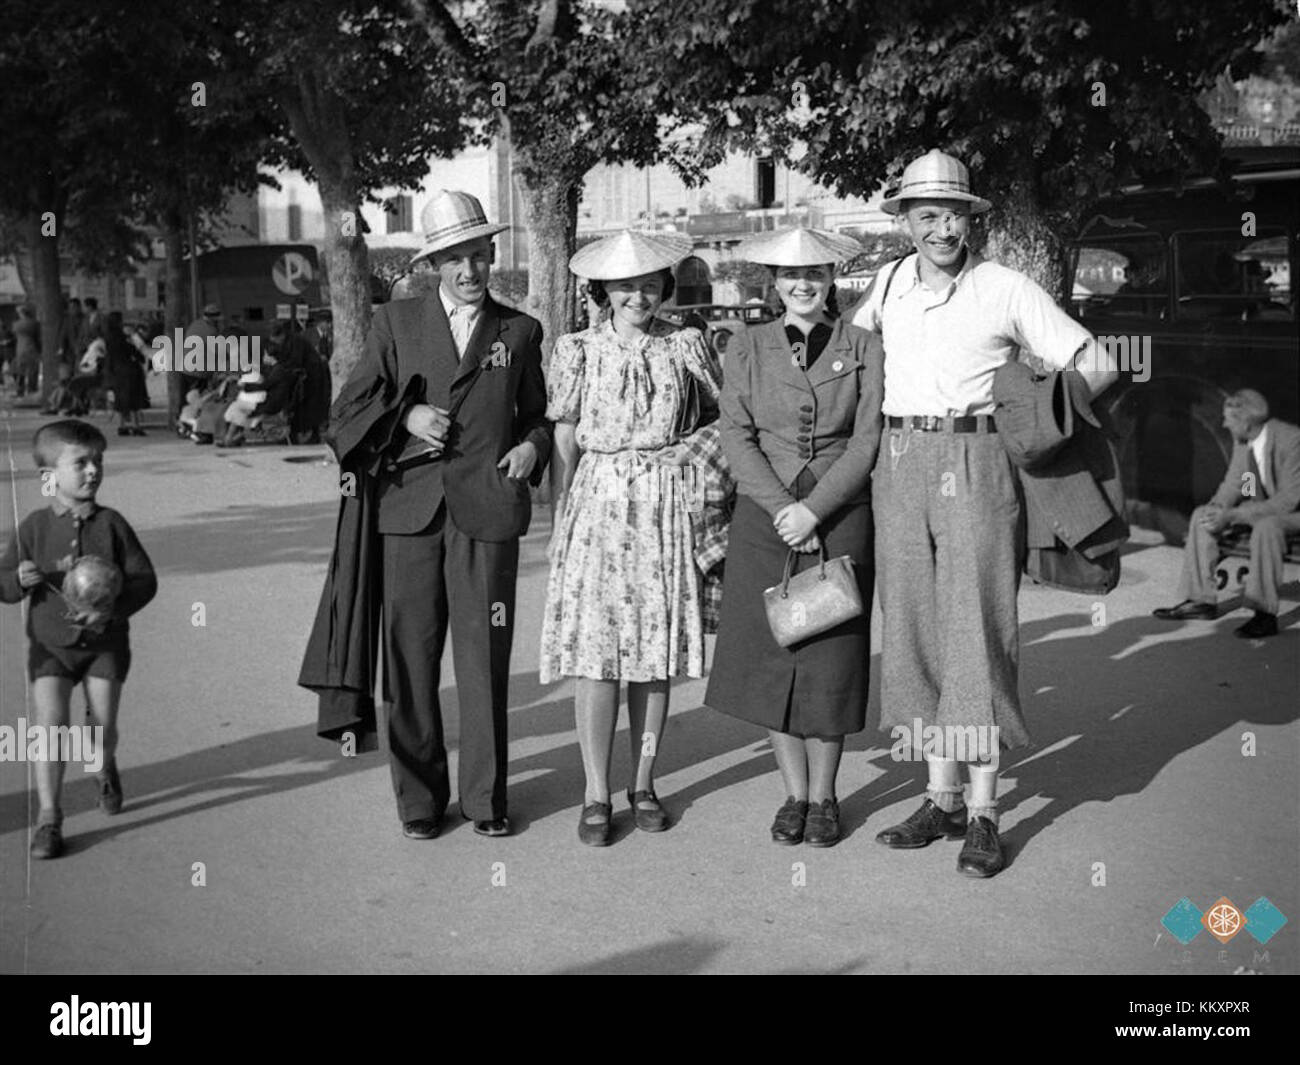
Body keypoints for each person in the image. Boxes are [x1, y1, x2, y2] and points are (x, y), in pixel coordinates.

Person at [851, 149, 1117, 877]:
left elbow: (1095, 358)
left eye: (955, 214)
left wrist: (1034, 426)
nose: (942, 228)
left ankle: (985, 811)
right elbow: (849, 360)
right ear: (904, 220)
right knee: (912, 628)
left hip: (976, 460)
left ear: (972, 219)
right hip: (900, 462)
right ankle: (938, 797)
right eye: (928, 214)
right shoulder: (885, 285)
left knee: (976, 629)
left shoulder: (1001, 285)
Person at [302, 189, 552, 840]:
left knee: (484, 663)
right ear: (434, 264)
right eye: (455, 259)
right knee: (409, 666)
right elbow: (344, 416)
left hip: (487, 517)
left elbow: (537, 417)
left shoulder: (520, 332)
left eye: (478, 255)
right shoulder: (397, 324)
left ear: (493, 253)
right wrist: (405, 415)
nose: (469, 271)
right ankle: (418, 802)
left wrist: (532, 447)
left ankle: (485, 801)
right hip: (406, 518)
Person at [542, 230, 727, 846]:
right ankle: (595, 790)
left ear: (664, 286)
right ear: (604, 290)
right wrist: (560, 518)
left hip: (664, 501)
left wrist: (688, 452)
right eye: (625, 284)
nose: (638, 294)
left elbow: (725, 421)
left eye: (649, 283)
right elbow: (564, 435)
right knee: (597, 656)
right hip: (596, 502)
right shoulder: (576, 349)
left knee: (655, 657)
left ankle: (644, 780)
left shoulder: (687, 344)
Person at [705, 226, 882, 849]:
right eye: (790, 275)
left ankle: (827, 796)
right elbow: (735, 433)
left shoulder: (863, 345)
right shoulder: (746, 345)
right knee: (774, 654)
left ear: (832, 278)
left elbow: (866, 439)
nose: (802, 284)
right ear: (774, 283)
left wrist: (816, 509)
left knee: (830, 653)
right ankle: (794, 796)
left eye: (815, 273)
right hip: (766, 515)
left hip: (838, 514)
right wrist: (784, 507)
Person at [0, 420, 157, 859]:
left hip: (105, 645)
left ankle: (103, 763)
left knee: (101, 730)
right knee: (49, 728)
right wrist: (17, 578)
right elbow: (4, 586)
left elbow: (145, 581)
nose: (93, 471)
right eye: (81, 462)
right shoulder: (32, 528)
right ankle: (49, 818)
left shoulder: (112, 525)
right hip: (50, 647)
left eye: (98, 462)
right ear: (49, 476)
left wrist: (112, 609)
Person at [1153, 389, 1300, 638]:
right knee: (1203, 515)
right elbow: (1236, 484)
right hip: (1266, 508)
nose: (1223, 424)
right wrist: (1218, 508)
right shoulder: (1245, 440)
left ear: (1246, 422)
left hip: (1292, 512)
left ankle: (1264, 615)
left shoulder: (1292, 440)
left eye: (1228, 419)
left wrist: (1232, 516)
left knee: (1267, 527)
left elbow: (1288, 501)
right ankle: (1200, 601)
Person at [103, 312, 148, 436]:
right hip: (129, 369)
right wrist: (140, 356)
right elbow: (133, 351)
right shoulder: (123, 337)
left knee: (121, 398)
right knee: (133, 398)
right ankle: (135, 425)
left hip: (116, 370)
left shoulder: (108, 337)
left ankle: (122, 425)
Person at [12, 303, 40, 398]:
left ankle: (20, 390)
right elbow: (38, 337)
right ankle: (32, 390)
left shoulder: (16, 325)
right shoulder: (35, 323)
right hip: (32, 348)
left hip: (20, 349)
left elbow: (15, 336)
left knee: (20, 371)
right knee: (33, 371)